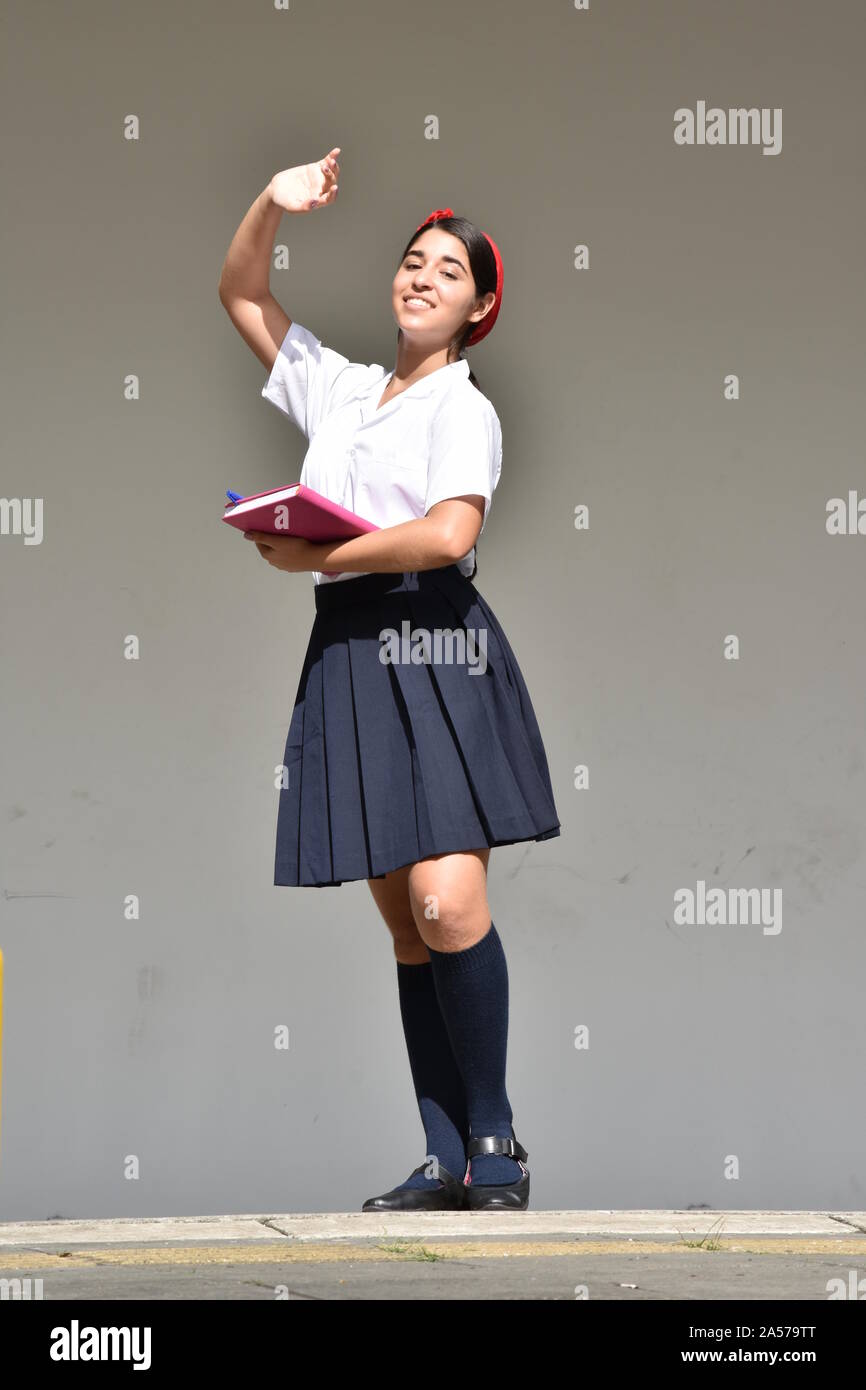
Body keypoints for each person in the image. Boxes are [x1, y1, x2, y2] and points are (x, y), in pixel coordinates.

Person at [218, 148, 561, 1212]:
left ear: (478, 306)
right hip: (349, 652)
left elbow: (450, 528)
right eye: (411, 261)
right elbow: (241, 291)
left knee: (447, 903)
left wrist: (320, 552)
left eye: (445, 271)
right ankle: (441, 1152)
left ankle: (495, 1131)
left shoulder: (465, 407)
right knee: (407, 926)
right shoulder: (344, 390)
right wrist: (269, 206)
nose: (418, 277)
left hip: (437, 642)